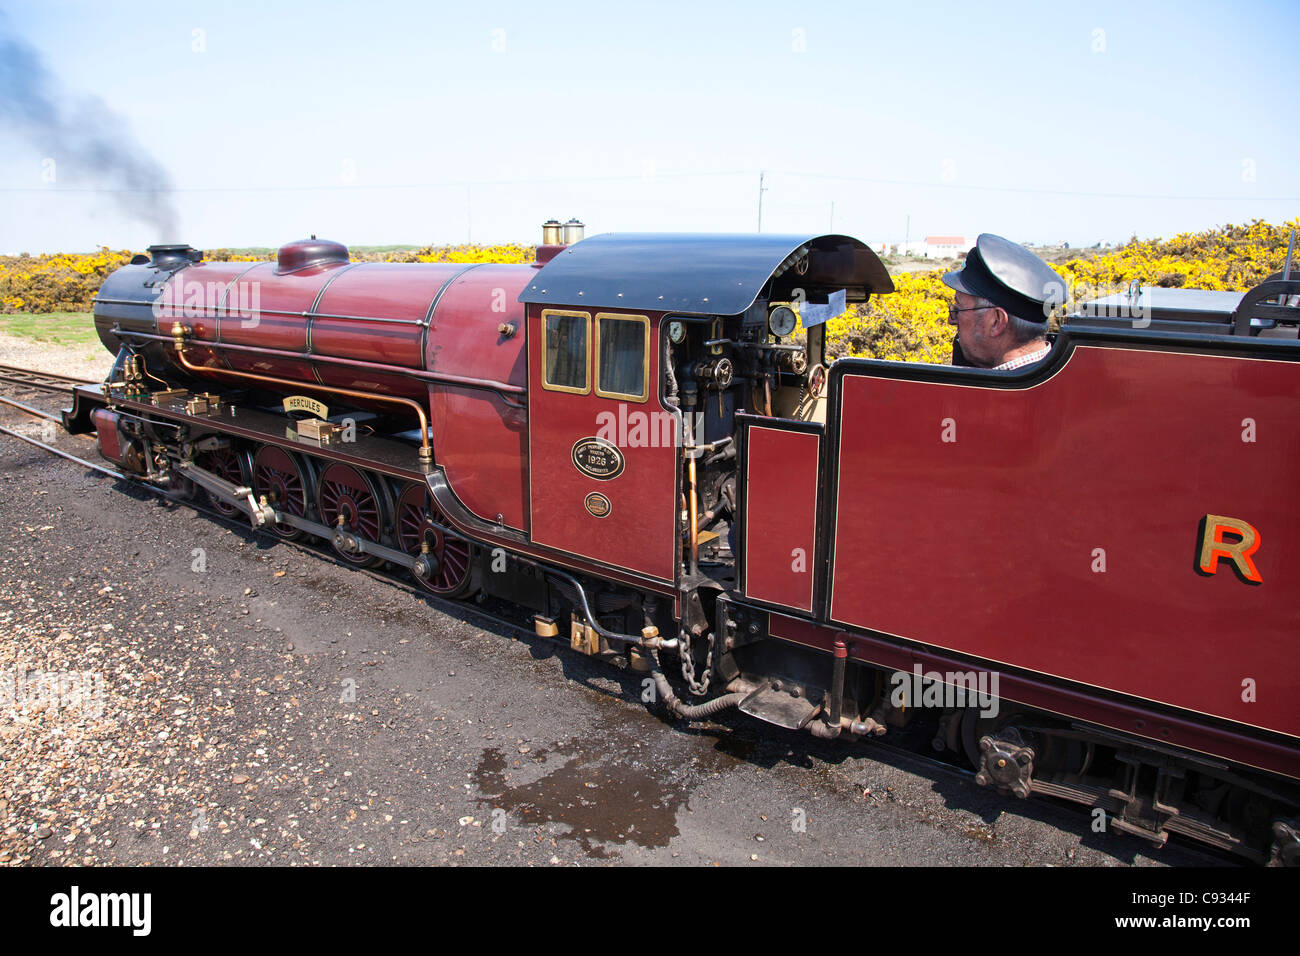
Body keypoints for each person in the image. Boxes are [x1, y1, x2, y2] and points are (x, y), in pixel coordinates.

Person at [943, 234, 1067, 370]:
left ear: (996, 321)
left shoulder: (1004, 389)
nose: (950, 320)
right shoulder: (1067, 375)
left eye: (957, 310)